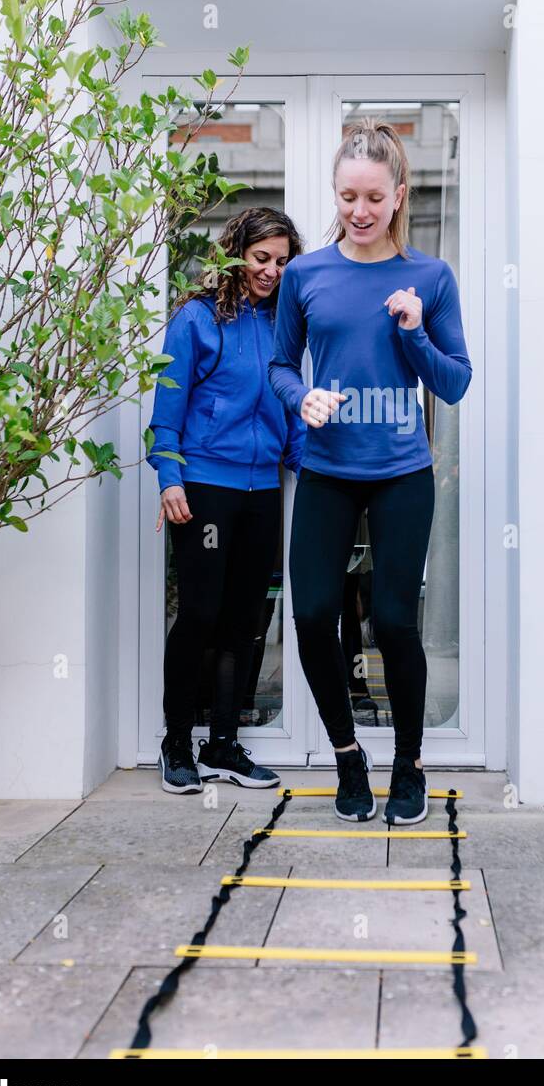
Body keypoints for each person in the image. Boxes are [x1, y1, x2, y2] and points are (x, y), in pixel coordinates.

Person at [268, 119, 472, 824]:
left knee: (392, 619)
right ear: (336, 191)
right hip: (326, 468)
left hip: (400, 471)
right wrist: (303, 397)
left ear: (398, 195)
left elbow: (454, 385)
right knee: (314, 612)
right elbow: (278, 365)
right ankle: (348, 755)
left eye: (374, 198)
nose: (359, 211)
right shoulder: (306, 274)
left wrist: (414, 332)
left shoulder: (429, 278)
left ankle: (409, 762)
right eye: (348, 195)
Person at [147, 207, 306, 794]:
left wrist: (318, 467)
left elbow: (290, 414)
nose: (271, 271)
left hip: (262, 490)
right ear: (235, 253)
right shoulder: (195, 319)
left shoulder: (285, 326)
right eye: (261, 258)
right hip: (205, 488)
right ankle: (176, 744)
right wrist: (169, 477)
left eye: (282, 262)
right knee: (200, 614)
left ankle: (222, 745)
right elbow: (166, 412)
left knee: (245, 621)